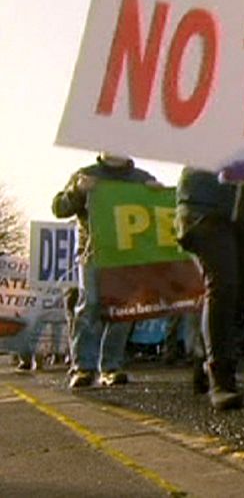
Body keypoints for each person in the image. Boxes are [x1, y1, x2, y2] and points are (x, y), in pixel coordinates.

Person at [52, 152, 160, 388]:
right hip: (93, 253)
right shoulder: (85, 174)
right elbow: (59, 208)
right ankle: (83, 368)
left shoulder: (143, 179)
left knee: (122, 311)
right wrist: (77, 191)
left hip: (128, 254)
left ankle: (111, 366)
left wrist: (157, 195)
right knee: (89, 305)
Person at [175, 165, 244, 410]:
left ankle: (204, 354)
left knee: (243, 294)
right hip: (203, 207)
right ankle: (222, 379)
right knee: (223, 284)